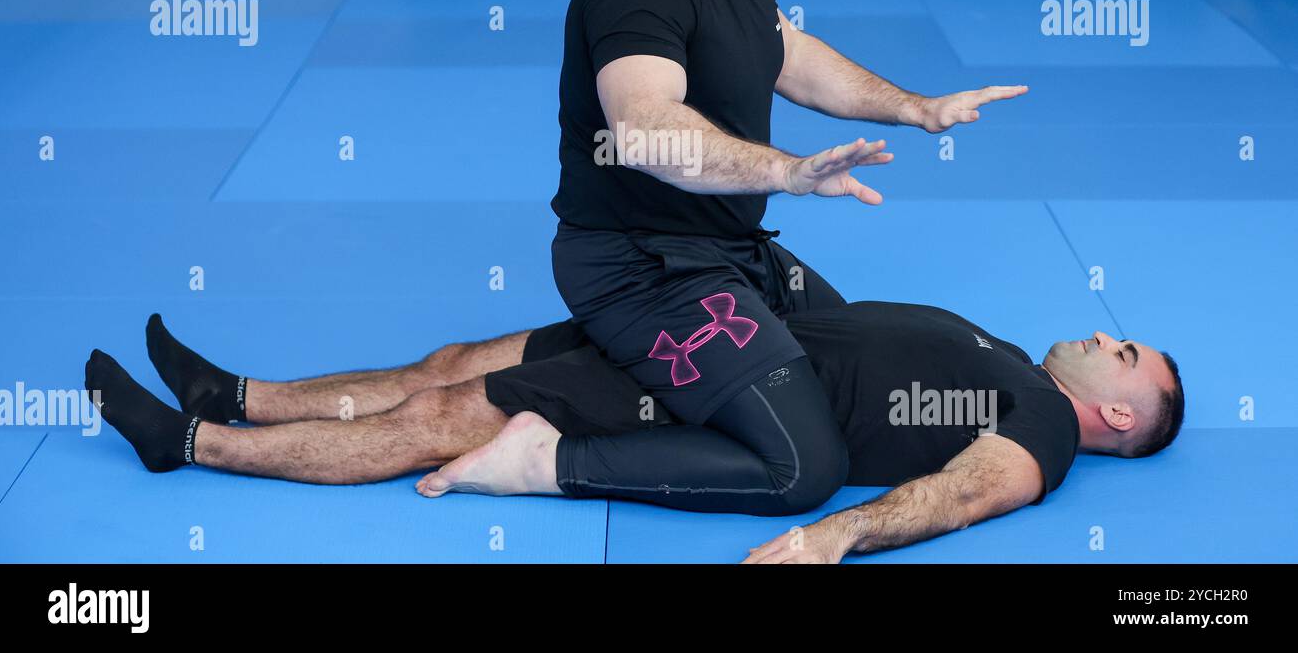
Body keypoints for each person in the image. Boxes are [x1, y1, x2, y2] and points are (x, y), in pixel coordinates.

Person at [542, 0, 1028, 515]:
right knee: (803, 465)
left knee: (855, 366)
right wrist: (792, 172)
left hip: (726, 247)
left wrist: (914, 107)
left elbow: (787, 54)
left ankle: (630, 376)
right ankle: (542, 459)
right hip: (640, 260)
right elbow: (640, 130)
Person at [84, 304, 1185, 563]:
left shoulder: (1036, 421)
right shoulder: (999, 353)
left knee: (440, 419)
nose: (1102, 335)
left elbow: (969, 489)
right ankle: (242, 392)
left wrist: (836, 538)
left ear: (1118, 417)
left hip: (716, 385)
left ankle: (191, 444)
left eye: (1123, 355)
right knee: (450, 363)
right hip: (708, 320)